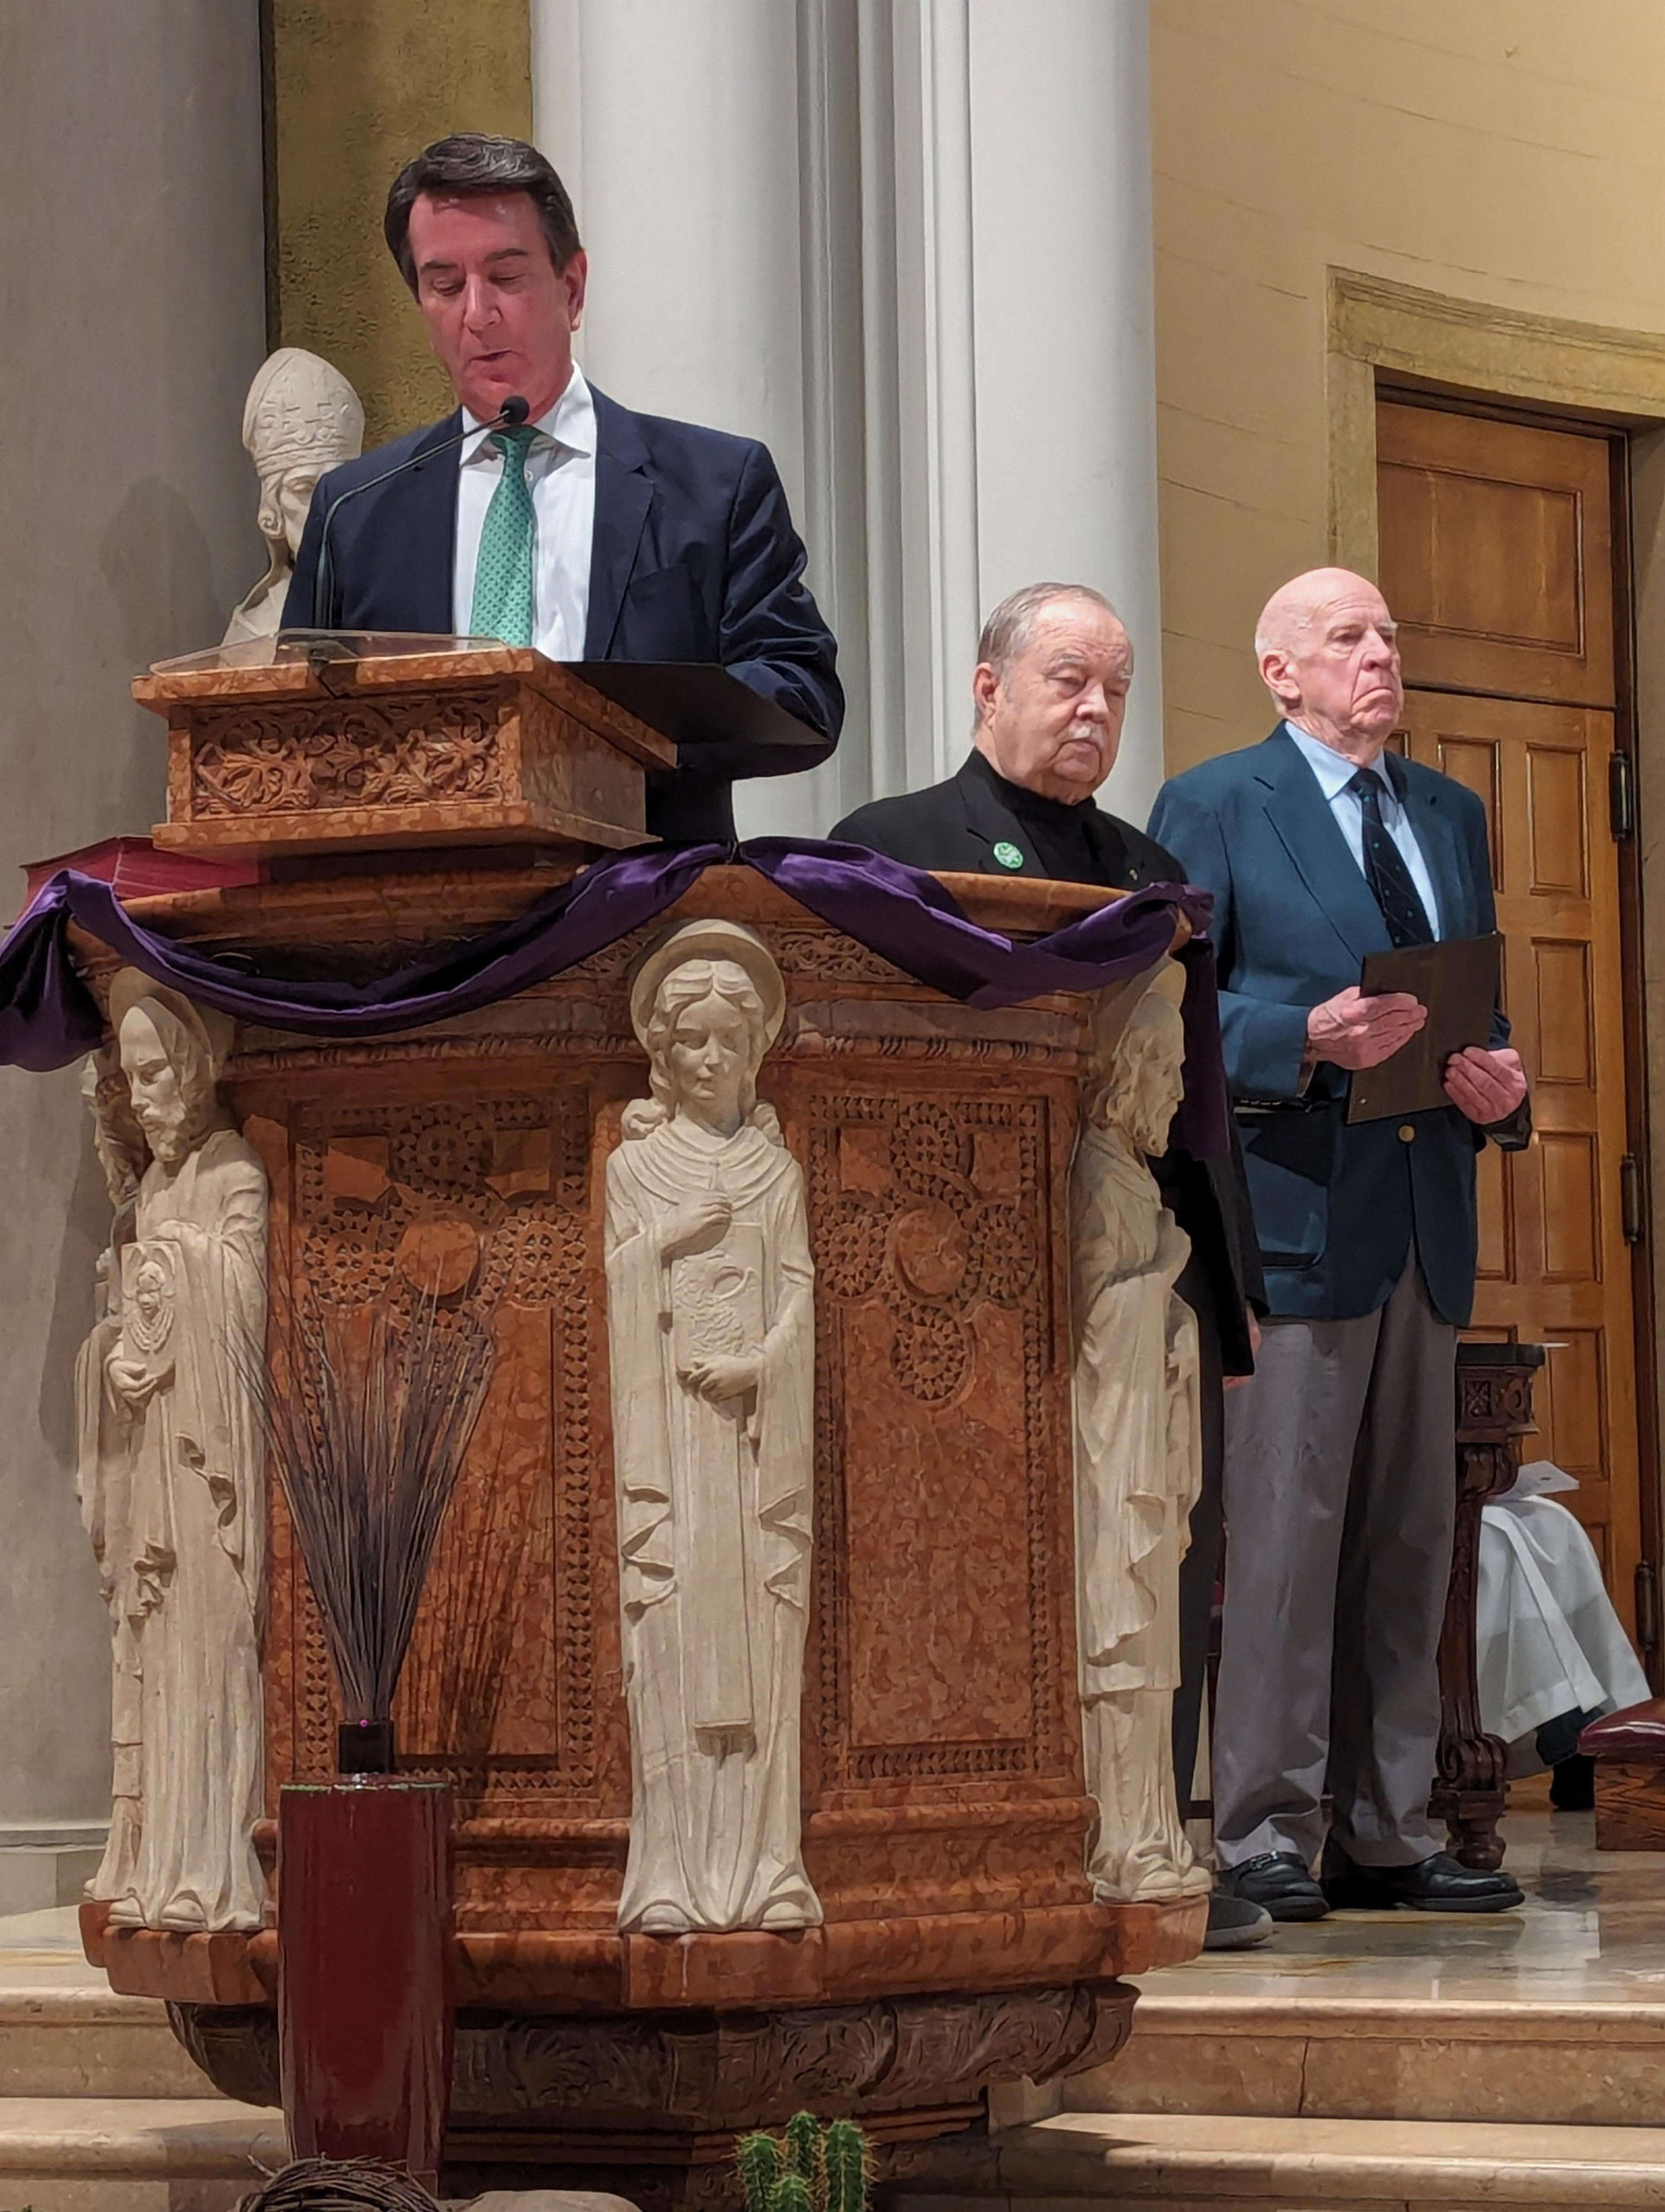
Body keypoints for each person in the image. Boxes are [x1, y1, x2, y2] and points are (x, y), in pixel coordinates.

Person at [831, 582, 1271, 1949]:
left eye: (1114, 691)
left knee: (1155, 1548)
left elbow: (1189, 1099)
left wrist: (1230, 1299)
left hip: (1138, 1270)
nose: (1093, 711)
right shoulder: (889, 846)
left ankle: (1152, 1833)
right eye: (1067, 681)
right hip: (960, 1275)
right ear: (986, 687)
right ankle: (977, 1835)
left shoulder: (1147, 870)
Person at [1148, 567, 1531, 1919]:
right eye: (1346, 638)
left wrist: (1501, 1085)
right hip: (1296, 1216)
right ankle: (1259, 1827)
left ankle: (1386, 1825)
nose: (1378, 655)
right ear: (1277, 670)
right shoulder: (1213, 803)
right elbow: (1171, 1008)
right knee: (1283, 1540)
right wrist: (1293, 1037)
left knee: (1408, 1540)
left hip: (1423, 1217)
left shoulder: (1446, 812)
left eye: (1386, 634)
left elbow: (1465, 1008)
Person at [285, 133, 842, 841]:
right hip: (426, 913)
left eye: (507, 277)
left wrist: (604, 722)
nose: (477, 314)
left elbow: (802, 697)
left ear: (571, 289)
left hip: (646, 898)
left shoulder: (713, 485)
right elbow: (294, 731)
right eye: (446, 285)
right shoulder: (357, 509)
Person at [604, 920, 820, 1934]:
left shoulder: (774, 1175)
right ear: (662, 1048)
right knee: (675, 1637)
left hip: (747, 1442)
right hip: (674, 1446)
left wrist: (757, 1363)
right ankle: (670, 1872)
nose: (709, 1060)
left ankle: (771, 1863)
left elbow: (800, 1299)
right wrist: (663, 1244)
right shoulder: (635, 1171)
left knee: (762, 1637)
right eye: (690, 1040)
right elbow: (616, 1285)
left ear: (754, 1051)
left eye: (729, 1041)